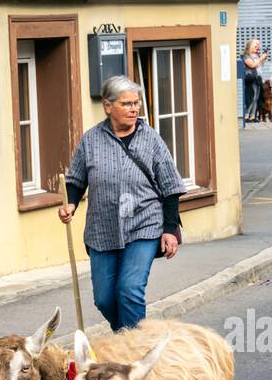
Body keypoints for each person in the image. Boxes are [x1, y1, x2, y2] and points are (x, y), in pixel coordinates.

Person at [60, 76, 184, 332]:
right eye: (126, 103)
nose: (133, 109)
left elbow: (171, 187)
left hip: (144, 226)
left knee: (129, 290)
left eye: (136, 103)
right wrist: (70, 204)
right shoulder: (90, 140)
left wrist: (169, 229)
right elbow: (75, 180)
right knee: (105, 299)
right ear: (108, 106)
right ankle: (126, 337)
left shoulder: (151, 140)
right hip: (102, 230)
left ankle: (135, 352)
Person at [242, 39, 267, 122]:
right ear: (250, 46)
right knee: (251, 97)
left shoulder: (256, 55)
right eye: (255, 45)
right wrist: (260, 58)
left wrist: (263, 59)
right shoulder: (246, 55)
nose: (257, 46)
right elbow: (252, 65)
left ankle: (252, 116)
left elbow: (259, 65)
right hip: (250, 79)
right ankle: (246, 115)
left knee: (256, 98)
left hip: (257, 78)